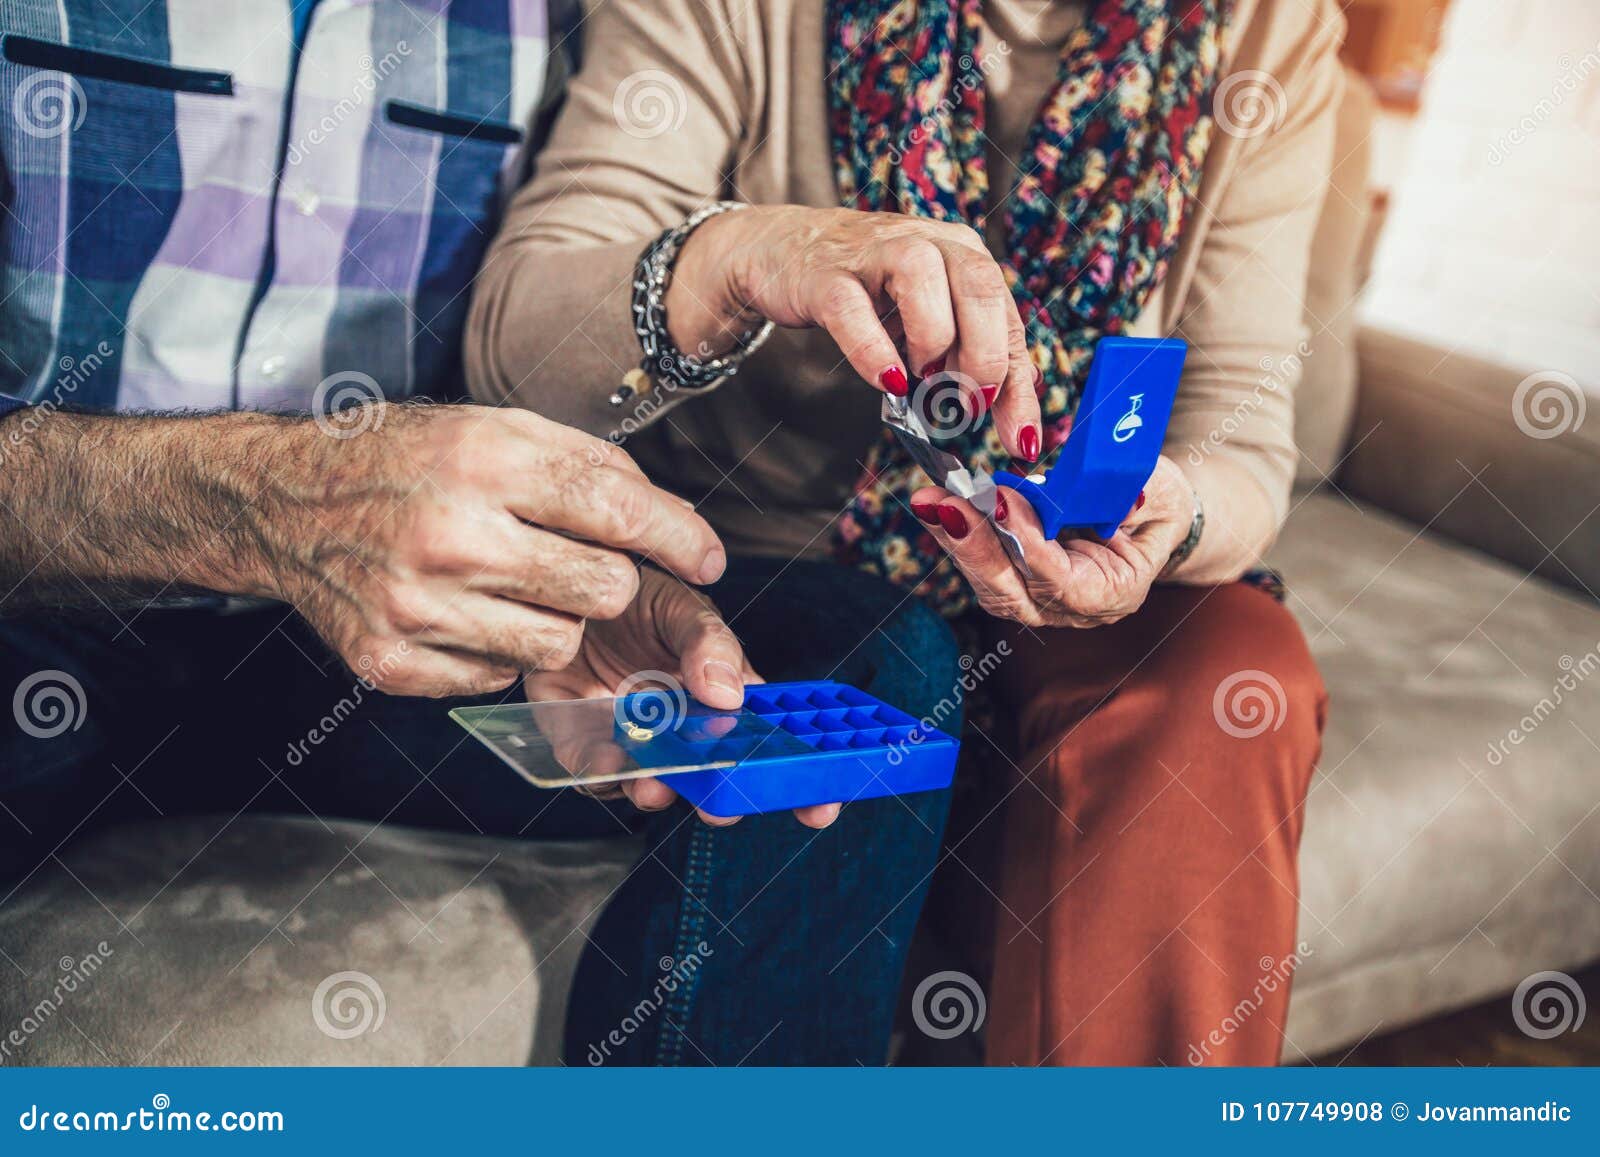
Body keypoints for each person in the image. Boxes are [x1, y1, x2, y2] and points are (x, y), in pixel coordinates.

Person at [0, 0, 958, 1066]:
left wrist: (563, 572)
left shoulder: (551, 20)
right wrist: (270, 502)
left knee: (861, 672)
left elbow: (530, 340)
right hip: (38, 606)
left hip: (380, 637)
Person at [468, 0, 1335, 1064]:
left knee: (1233, 674)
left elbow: (1242, 429)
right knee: (873, 667)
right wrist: (735, 258)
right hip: (770, 562)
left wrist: (1173, 510)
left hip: (1061, 564)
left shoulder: (1268, 31)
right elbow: (512, 349)